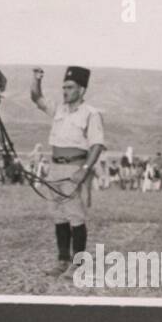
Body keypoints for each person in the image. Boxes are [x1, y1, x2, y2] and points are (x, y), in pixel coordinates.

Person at [30, 65, 106, 277]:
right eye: (64, 87)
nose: (65, 91)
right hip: (55, 168)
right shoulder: (59, 109)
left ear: (81, 90)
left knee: (76, 217)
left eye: (70, 87)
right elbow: (36, 98)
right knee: (58, 216)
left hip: (75, 168)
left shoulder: (91, 114)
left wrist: (84, 169)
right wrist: (36, 79)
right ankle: (62, 261)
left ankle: (78, 264)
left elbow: (97, 145)